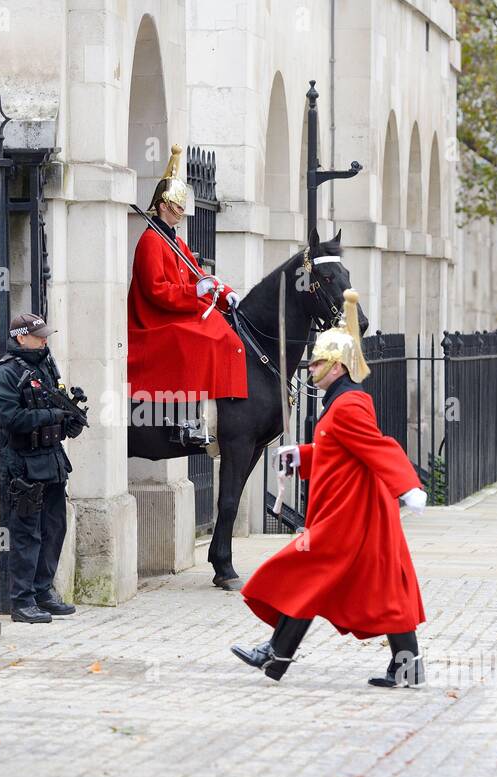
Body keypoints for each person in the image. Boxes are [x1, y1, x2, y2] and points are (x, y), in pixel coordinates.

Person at [231, 290, 430, 688]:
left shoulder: (349, 404)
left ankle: (277, 653)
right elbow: (340, 452)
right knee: (383, 588)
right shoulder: (339, 402)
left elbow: (378, 447)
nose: (312, 369)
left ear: (337, 366)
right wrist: (301, 457)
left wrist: (407, 485)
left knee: (304, 574)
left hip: (350, 518)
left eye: (319, 362)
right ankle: (405, 665)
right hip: (352, 514)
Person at [127, 145, 247, 447]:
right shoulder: (151, 241)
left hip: (179, 310)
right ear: (163, 206)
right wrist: (194, 292)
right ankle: (187, 419)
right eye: (177, 208)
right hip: (155, 319)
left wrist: (223, 294)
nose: (181, 213)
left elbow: (200, 276)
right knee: (199, 339)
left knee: (224, 332)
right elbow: (156, 291)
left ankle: (210, 413)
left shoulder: (174, 239)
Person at [0, 313, 84, 624]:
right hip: (23, 463)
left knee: (54, 528)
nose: (44, 340)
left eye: (45, 334)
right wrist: (51, 415)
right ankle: (21, 600)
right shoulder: (6, 371)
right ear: (21, 337)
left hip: (52, 460)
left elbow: (57, 407)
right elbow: (11, 419)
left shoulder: (46, 365)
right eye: (38, 335)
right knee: (26, 533)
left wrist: (69, 418)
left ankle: (43, 591)